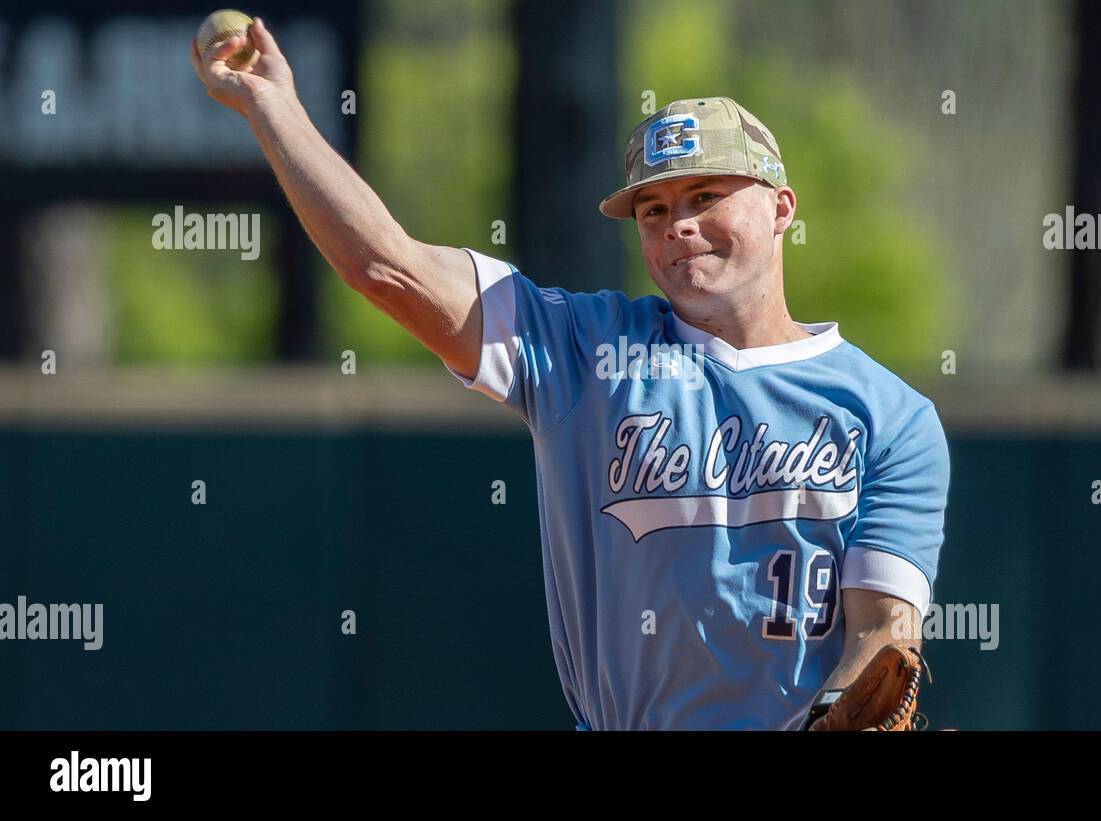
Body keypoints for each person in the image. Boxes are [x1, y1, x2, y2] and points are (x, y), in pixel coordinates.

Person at [191, 18, 950, 731]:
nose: (677, 223)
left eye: (706, 195)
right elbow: (386, 266)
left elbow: (884, 635)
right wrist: (274, 108)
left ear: (782, 207)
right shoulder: (584, 348)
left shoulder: (890, 416)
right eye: (652, 209)